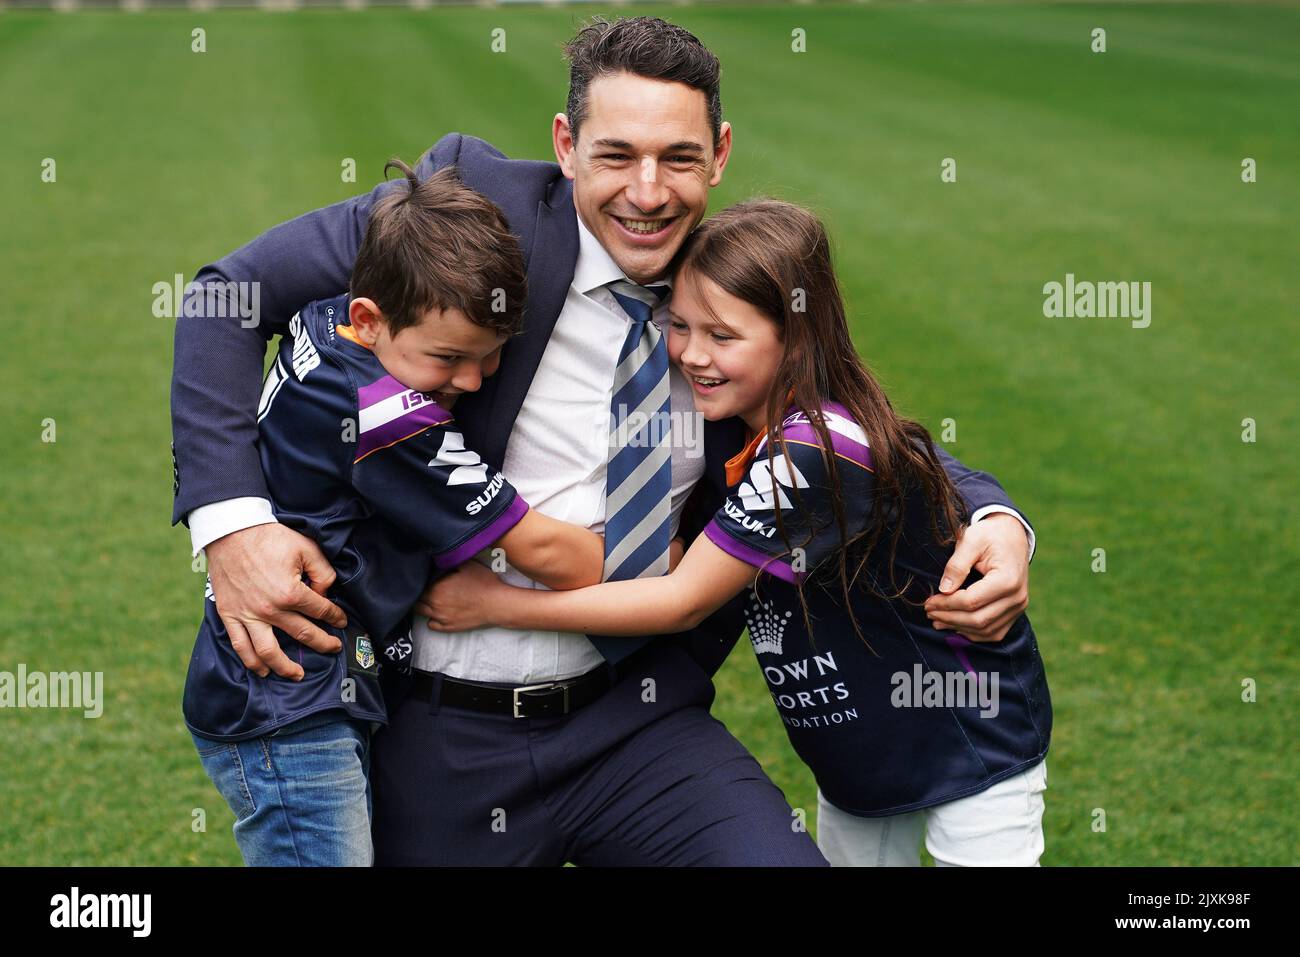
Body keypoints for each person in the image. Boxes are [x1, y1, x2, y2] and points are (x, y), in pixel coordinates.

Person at [171, 16, 1035, 865]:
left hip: (638, 719)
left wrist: (992, 515)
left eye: (680, 159)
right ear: (566, 143)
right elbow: (228, 295)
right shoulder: (470, 213)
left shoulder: (727, 292)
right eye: (617, 154)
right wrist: (234, 523)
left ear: (721, 154)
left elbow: (837, 419)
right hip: (442, 732)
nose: (649, 192)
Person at [422, 198, 1052, 866]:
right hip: (856, 754)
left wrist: (498, 603)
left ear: (798, 338)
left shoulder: (817, 450)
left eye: (722, 336)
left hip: (966, 734)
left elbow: (682, 597)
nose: (692, 355)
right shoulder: (739, 430)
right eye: (681, 325)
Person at [183, 161, 612, 866]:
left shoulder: (322, 319)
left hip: (294, 687)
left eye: (491, 357)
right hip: (291, 704)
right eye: (448, 357)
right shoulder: (389, 418)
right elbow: (555, 556)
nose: (470, 382)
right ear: (370, 318)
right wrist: (673, 566)